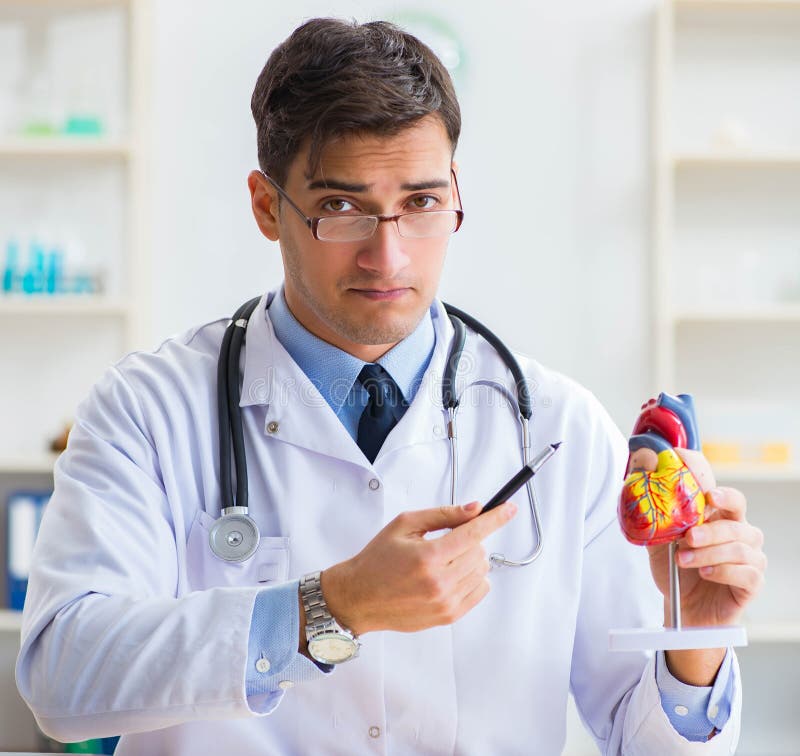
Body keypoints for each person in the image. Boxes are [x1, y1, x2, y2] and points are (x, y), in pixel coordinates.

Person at [16, 18, 766, 755]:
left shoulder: (559, 427)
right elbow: (62, 675)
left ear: (455, 191)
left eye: (421, 203)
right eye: (342, 208)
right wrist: (327, 608)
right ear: (268, 206)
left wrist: (691, 642)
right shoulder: (147, 409)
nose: (389, 255)